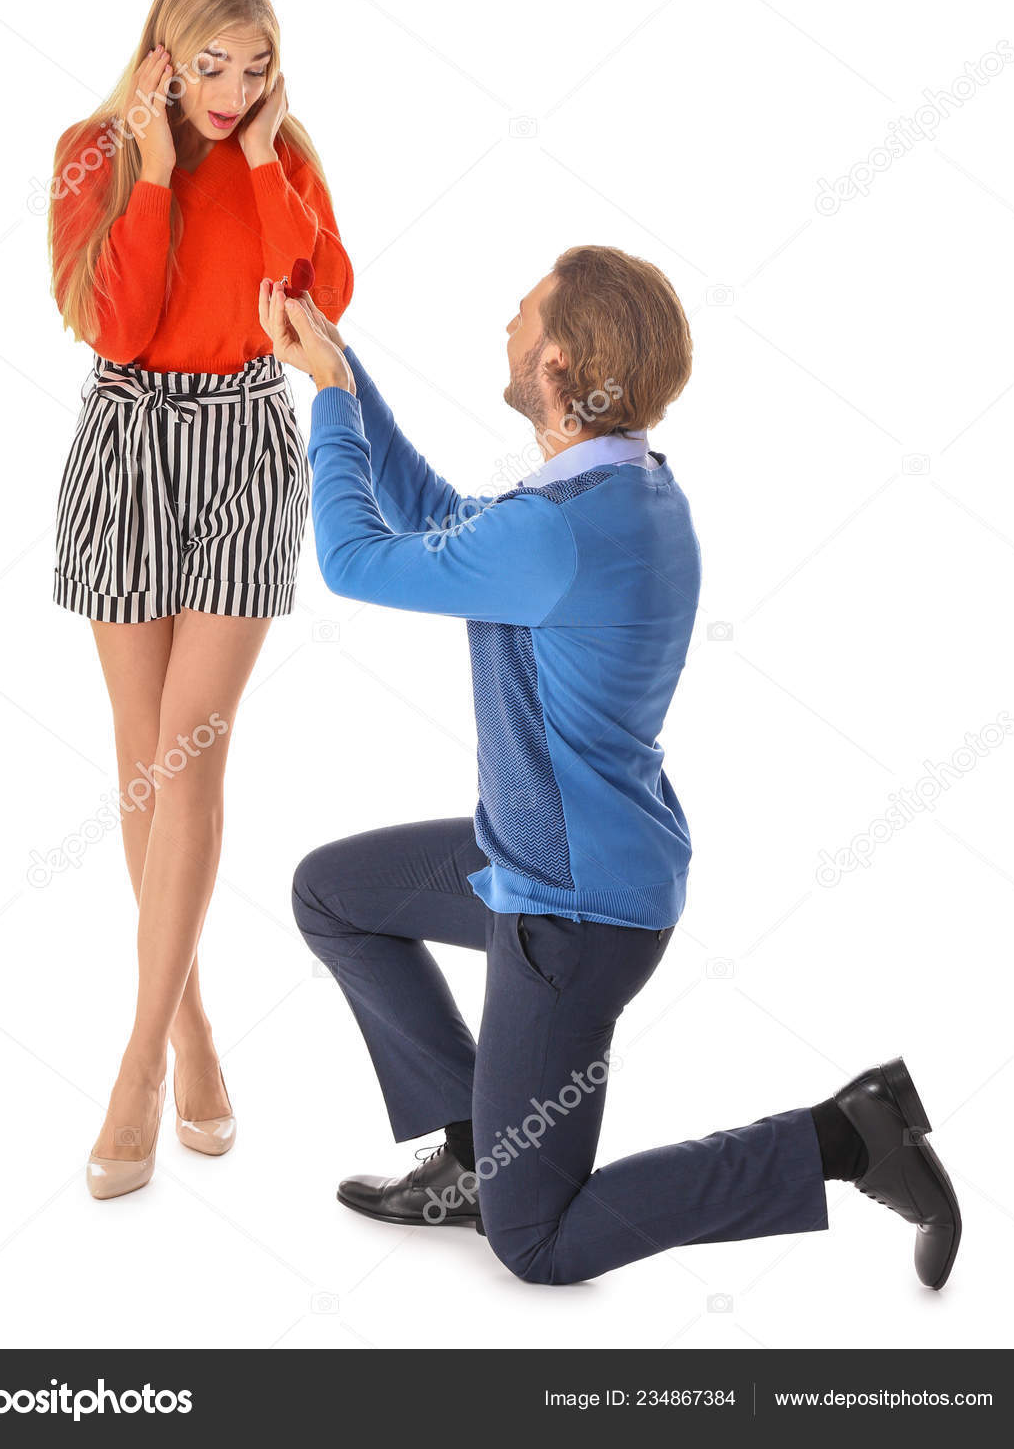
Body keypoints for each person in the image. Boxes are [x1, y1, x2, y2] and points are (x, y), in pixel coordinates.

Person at [258, 250, 962, 1289]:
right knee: (334, 892)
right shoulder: (618, 491)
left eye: (522, 310)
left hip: (571, 916)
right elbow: (448, 521)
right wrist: (344, 375)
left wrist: (323, 401)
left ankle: (844, 1138)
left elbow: (356, 555)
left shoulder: (558, 534)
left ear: (558, 359)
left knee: (535, 1240)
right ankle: (473, 1149)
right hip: (541, 862)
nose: (505, 317)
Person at [47, 0, 353, 1199]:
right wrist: (160, 172)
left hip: (241, 434)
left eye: (257, 63)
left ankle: (133, 1065)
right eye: (213, 65)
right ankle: (192, 1030)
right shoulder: (93, 149)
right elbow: (117, 324)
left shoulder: (284, 154)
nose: (235, 88)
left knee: (194, 746)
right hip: (128, 434)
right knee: (140, 752)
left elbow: (320, 302)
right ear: (165, 52)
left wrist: (269, 161)